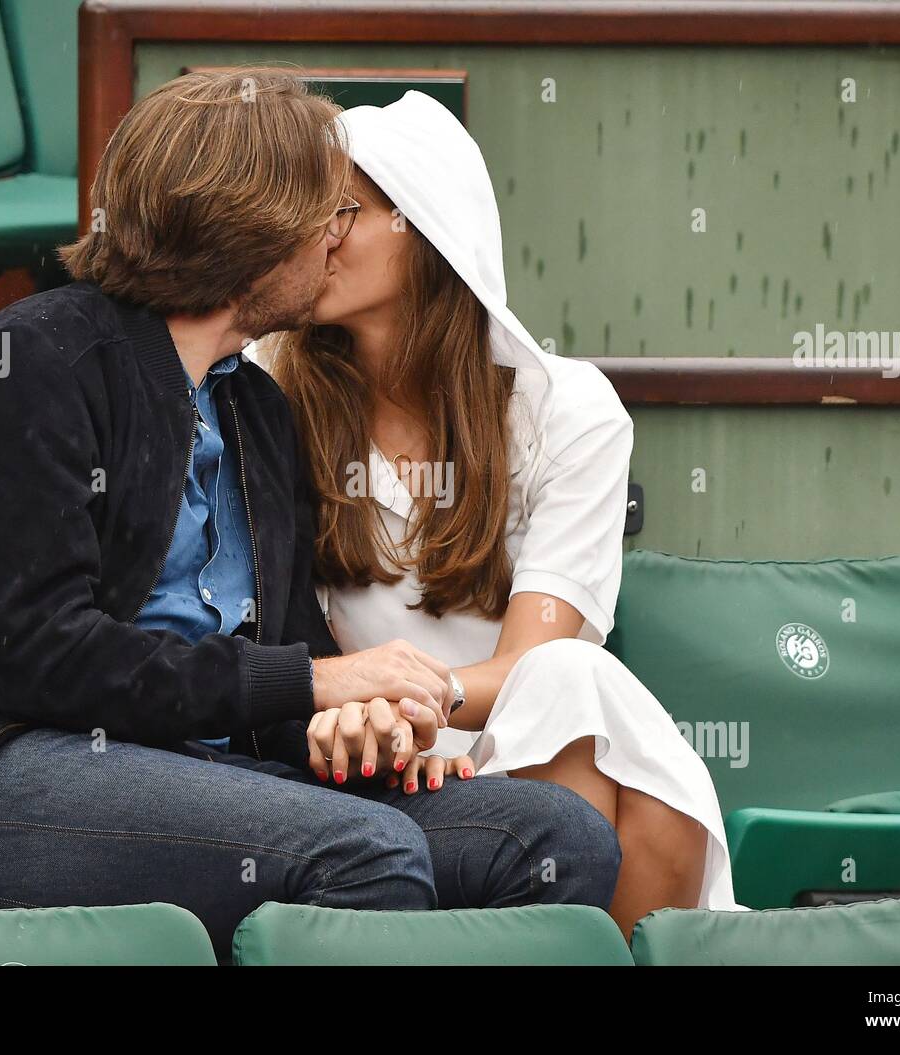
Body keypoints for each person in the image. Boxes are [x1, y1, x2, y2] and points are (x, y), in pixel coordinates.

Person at [0, 69, 620, 960]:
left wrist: (357, 725)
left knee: (552, 837)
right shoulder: (35, 360)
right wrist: (311, 684)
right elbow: (38, 653)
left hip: (209, 770)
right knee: (366, 854)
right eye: (328, 215)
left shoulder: (257, 408)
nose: (336, 240)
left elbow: (281, 663)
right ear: (256, 233)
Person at [258, 90, 743, 939]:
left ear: (429, 230)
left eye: (343, 211)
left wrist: (418, 695)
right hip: (363, 764)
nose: (315, 237)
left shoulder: (568, 411)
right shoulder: (272, 389)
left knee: (574, 684)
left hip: (517, 739)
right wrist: (365, 712)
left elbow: (537, 664)